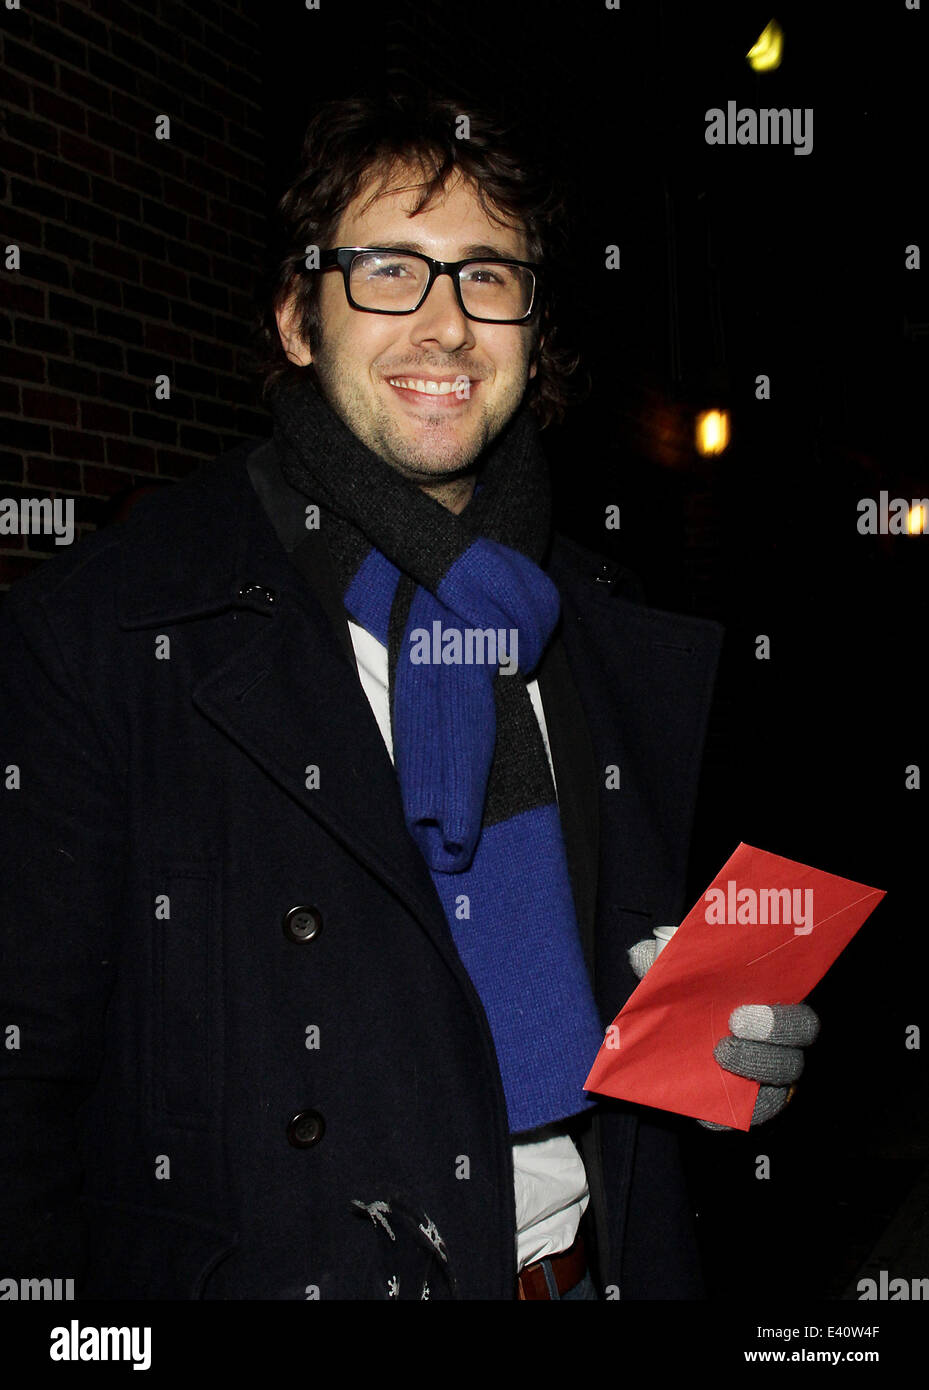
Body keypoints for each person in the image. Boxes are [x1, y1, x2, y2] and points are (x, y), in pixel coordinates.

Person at [0, 91, 818, 1301]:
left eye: (488, 277)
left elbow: (647, 1002)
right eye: (390, 268)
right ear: (295, 316)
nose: (444, 326)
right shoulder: (109, 629)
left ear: (532, 335)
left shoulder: (599, 623)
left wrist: (729, 1054)